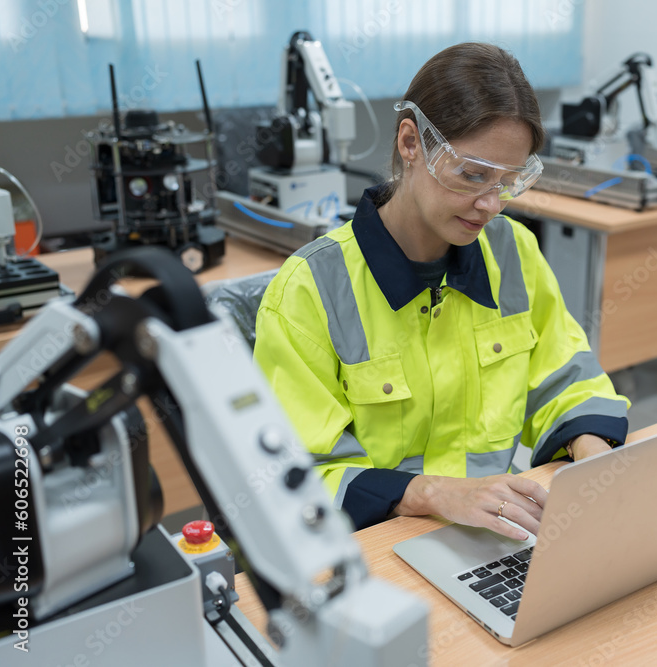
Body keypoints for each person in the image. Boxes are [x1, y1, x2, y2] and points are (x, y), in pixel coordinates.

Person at [254, 42, 630, 540]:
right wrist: (430, 493)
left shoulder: (513, 252)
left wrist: (591, 454)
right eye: (472, 175)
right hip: (374, 546)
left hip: (493, 534)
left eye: (508, 181)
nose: (490, 204)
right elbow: (293, 480)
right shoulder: (310, 290)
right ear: (411, 142)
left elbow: (566, 379)